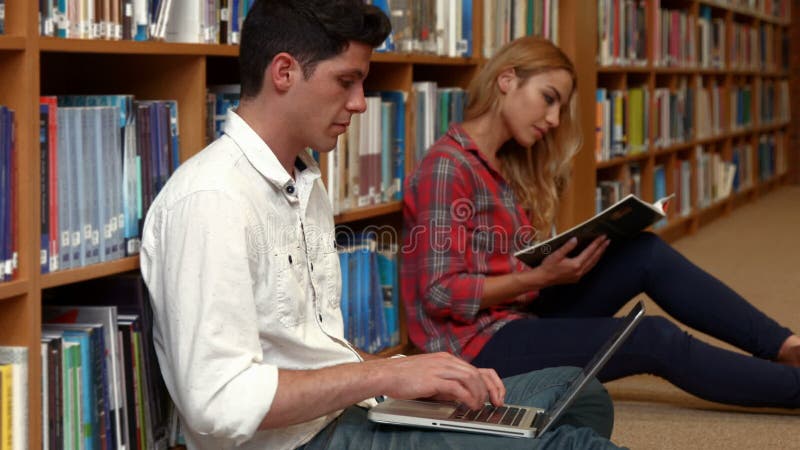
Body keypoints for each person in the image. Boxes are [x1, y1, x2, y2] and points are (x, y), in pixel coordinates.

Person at [139, 2, 627, 449]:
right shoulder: (211, 200)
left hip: (348, 408)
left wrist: (405, 370)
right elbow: (217, 404)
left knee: (578, 395)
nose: (360, 103)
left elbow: (311, 347)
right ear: (284, 72)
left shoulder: (303, 182)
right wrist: (386, 378)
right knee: (565, 442)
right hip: (302, 442)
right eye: (346, 81)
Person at [401, 35, 800, 410]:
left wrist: (554, 261)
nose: (555, 119)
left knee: (644, 252)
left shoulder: (502, 164)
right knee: (649, 338)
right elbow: (439, 292)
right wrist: (539, 279)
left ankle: (785, 345)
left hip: (519, 313)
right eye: (548, 99)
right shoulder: (447, 168)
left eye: (560, 107)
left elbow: (496, 263)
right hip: (477, 347)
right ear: (506, 80)